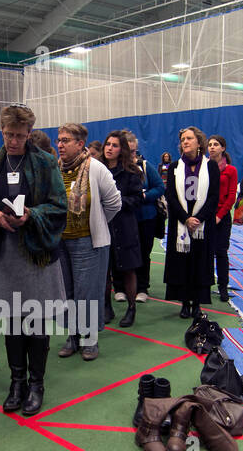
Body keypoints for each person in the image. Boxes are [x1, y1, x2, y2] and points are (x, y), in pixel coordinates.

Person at [0, 103, 67, 416]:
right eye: (8, 134)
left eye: (19, 135)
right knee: (13, 322)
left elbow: (59, 206)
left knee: (36, 321)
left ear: (29, 133)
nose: (12, 141)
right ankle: (17, 382)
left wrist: (31, 216)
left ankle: (37, 383)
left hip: (36, 255)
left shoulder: (45, 163)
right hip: (5, 255)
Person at [54, 123, 119, 360]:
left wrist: (97, 222)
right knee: (67, 292)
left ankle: (89, 339)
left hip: (88, 242)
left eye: (65, 140)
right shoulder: (55, 169)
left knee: (87, 292)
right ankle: (73, 336)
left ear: (80, 144)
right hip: (60, 241)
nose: (60, 144)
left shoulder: (96, 169)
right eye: (59, 140)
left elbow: (114, 203)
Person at [165, 126, 219, 318]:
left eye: (189, 138)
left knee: (199, 262)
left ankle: (197, 303)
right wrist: (186, 218)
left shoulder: (210, 166)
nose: (185, 142)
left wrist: (198, 218)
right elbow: (170, 196)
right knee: (182, 263)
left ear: (199, 142)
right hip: (181, 223)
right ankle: (184, 302)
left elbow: (214, 196)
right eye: (182, 139)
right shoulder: (174, 167)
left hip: (202, 225)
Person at [101, 130, 144, 328]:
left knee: (128, 269)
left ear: (122, 149)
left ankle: (131, 307)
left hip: (124, 226)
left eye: (115, 145)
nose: (110, 148)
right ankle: (106, 307)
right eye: (108, 144)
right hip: (102, 225)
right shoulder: (96, 168)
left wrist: (115, 202)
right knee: (104, 270)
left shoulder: (132, 172)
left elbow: (136, 200)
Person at [126, 131, 165, 305]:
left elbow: (159, 187)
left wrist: (144, 196)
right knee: (127, 253)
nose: (131, 155)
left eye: (134, 151)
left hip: (146, 217)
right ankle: (123, 287)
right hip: (126, 218)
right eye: (128, 152)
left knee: (144, 252)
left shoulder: (146, 165)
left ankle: (142, 287)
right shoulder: (116, 168)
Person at [208, 135, 237, 302]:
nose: (212, 147)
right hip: (205, 217)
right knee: (205, 253)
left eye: (216, 144)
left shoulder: (231, 170)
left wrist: (219, 216)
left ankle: (223, 287)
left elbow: (231, 197)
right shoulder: (203, 167)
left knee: (221, 253)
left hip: (222, 218)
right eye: (210, 145)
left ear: (223, 148)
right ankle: (204, 286)